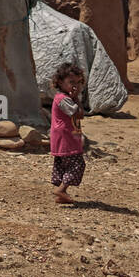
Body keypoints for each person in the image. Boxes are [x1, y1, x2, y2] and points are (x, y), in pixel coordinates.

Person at [50, 63, 87, 205]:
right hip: (65, 137)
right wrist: (76, 98)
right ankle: (61, 190)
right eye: (71, 82)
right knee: (77, 164)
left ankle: (61, 196)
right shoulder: (63, 99)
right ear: (60, 82)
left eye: (78, 82)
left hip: (67, 136)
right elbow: (79, 114)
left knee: (65, 164)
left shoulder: (65, 97)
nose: (75, 86)